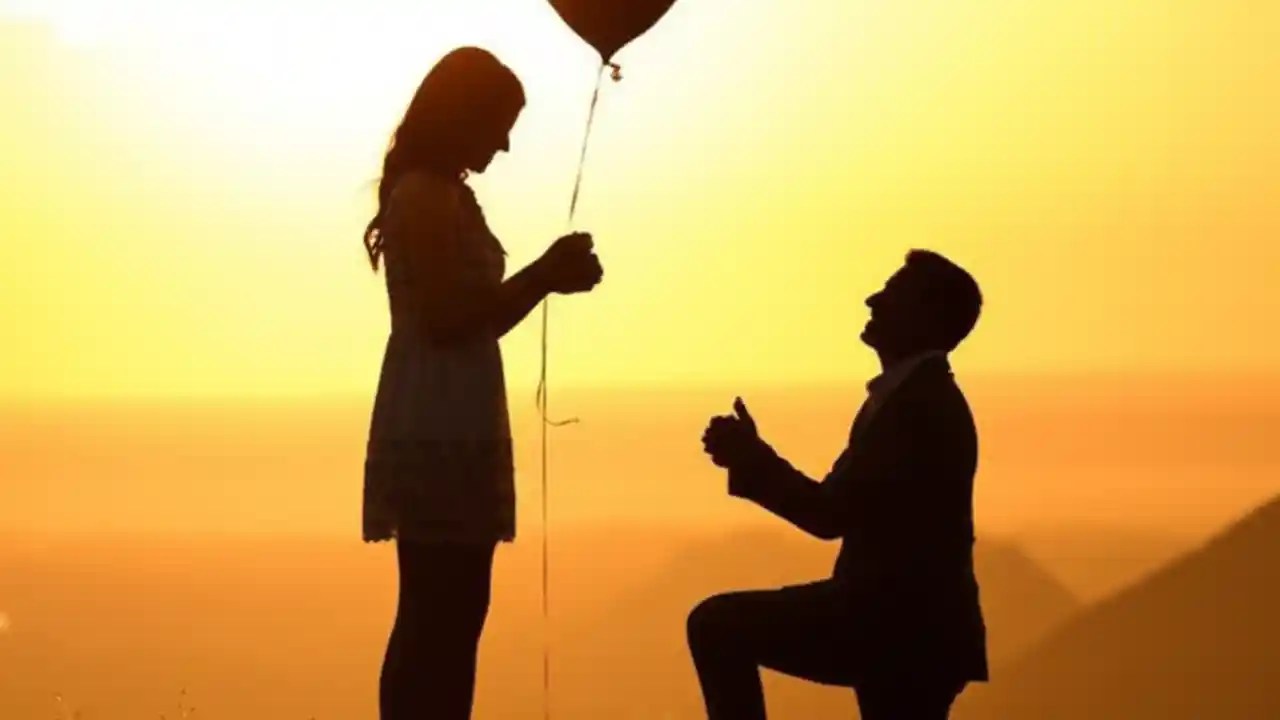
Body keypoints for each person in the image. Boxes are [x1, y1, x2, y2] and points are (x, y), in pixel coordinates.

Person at [361, 47, 604, 720]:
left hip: (448, 408)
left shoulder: (437, 194)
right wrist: (543, 276)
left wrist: (544, 281)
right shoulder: (426, 197)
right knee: (442, 605)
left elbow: (465, 320)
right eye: (498, 124)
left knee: (453, 605)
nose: (503, 143)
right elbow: (447, 319)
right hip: (440, 416)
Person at [692, 250, 988, 720]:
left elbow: (828, 514)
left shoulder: (916, 407)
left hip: (897, 626)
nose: (873, 300)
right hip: (916, 631)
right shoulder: (912, 398)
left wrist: (753, 459)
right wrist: (752, 459)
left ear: (926, 316)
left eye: (893, 294)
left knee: (716, 626)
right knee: (718, 626)